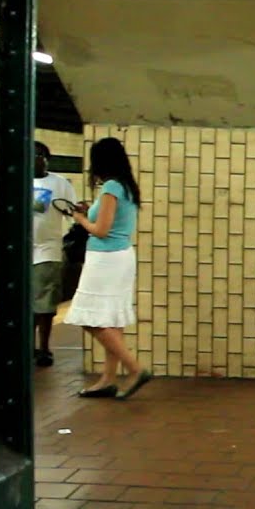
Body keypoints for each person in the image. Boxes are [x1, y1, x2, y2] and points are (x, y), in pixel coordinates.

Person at [64, 137, 153, 400]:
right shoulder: (126, 187)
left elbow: (101, 231)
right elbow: (111, 222)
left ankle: (135, 368)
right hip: (122, 257)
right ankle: (108, 379)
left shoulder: (111, 187)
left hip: (105, 259)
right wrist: (88, 210)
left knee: (90, 319)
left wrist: (80, 218)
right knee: (111, 319)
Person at [31, 142, 78, 368]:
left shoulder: (59, 184)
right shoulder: (16, 180)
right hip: (21, 251)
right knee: (27, 301)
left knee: (45, 301)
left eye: (41, 155)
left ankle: (44, 348)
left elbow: (72, 213)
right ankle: (27, 345)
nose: (37, 159)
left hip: (48, 249)